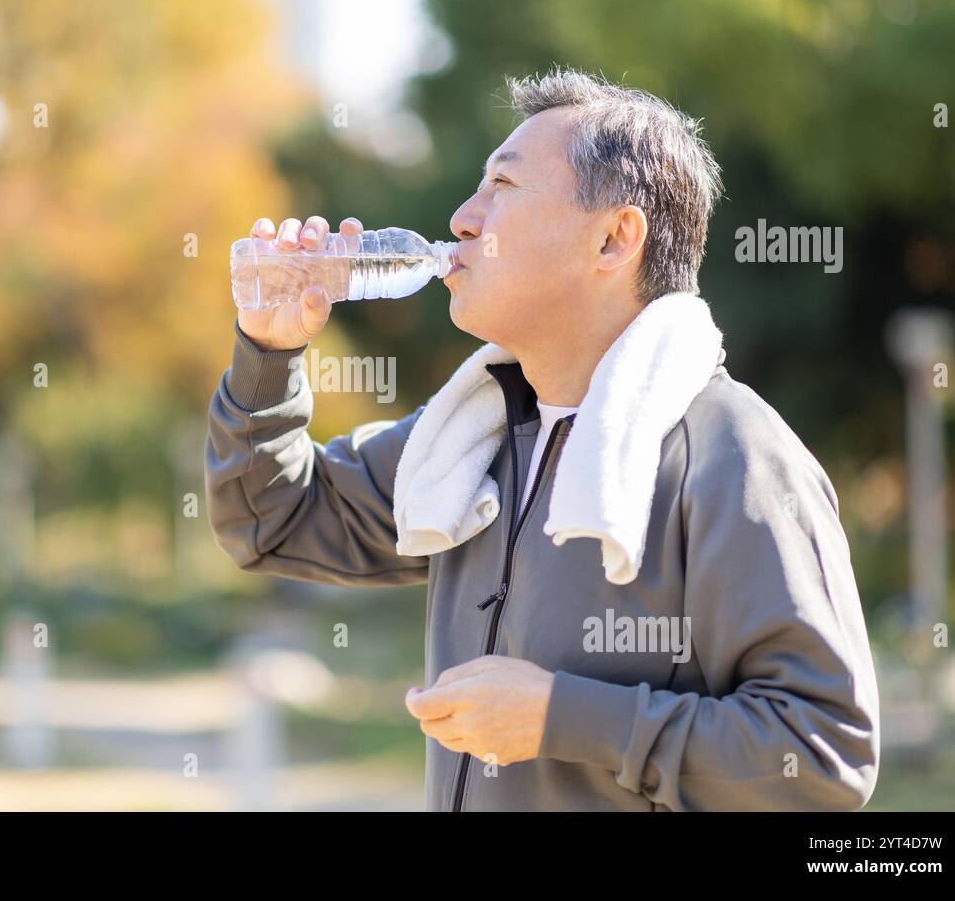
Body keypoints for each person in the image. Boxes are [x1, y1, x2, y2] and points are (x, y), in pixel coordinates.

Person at [204, 66, 880, 811]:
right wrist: (268, 351)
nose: (464, 218)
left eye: (504, 187)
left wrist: (562, 718)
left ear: (614, 239)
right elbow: (269, 521)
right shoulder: (471, 441)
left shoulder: (733, 456)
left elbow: (820, 757)